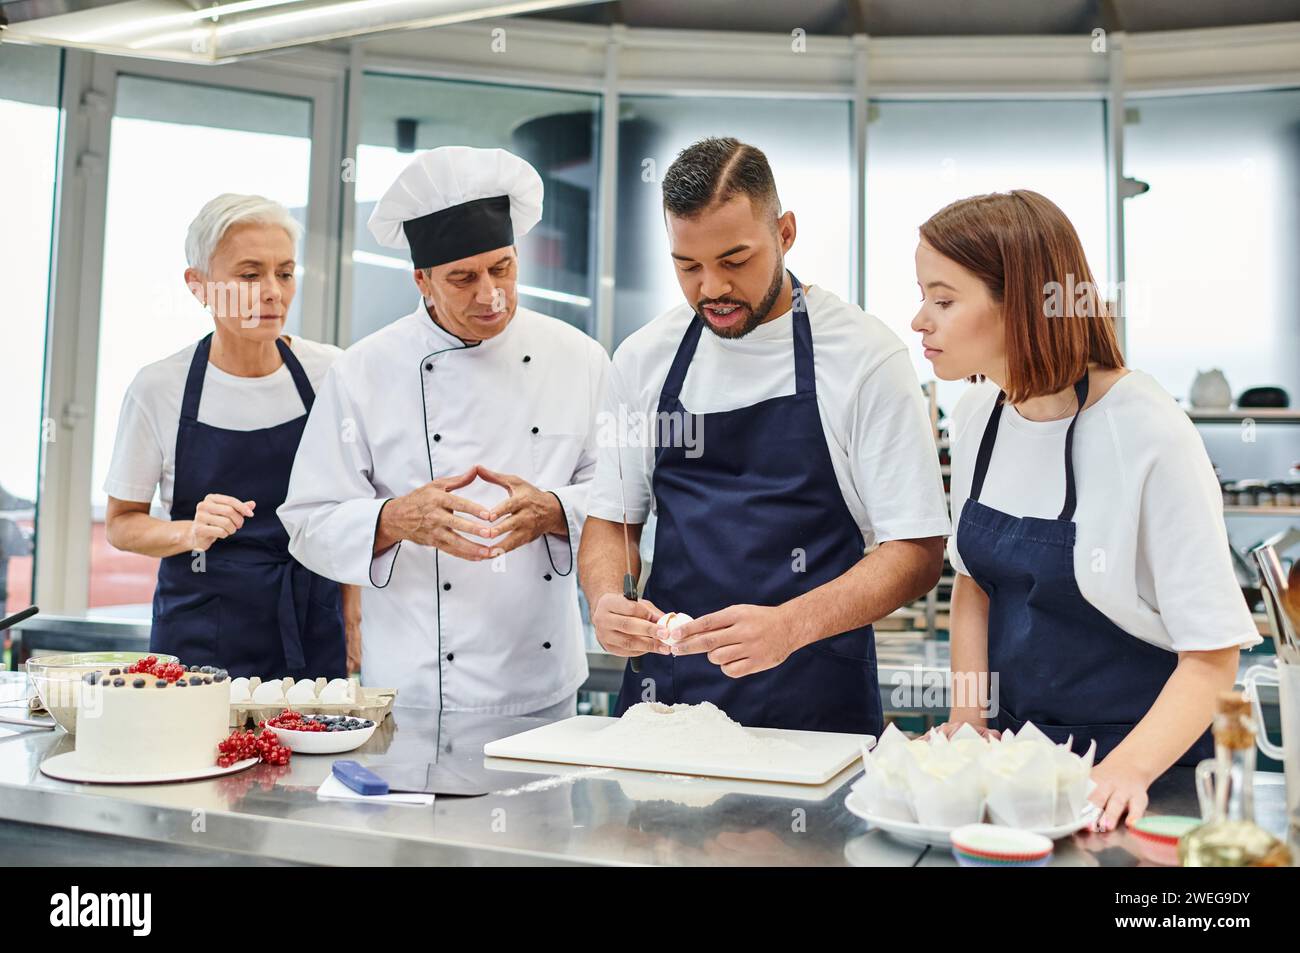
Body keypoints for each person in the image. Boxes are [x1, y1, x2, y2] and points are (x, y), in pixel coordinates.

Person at [579, 137, 950, 734]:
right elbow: (612, 520)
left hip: (813, 704)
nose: (711, 289)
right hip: (666, 703)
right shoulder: (643, 358)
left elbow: (917, 552)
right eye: (688, 266)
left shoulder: (864, 356)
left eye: (734, 260)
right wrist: (605, 600)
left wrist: (789, 626)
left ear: (786, 232)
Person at [912, 189, 1258, 829]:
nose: (919, 321)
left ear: (1018, 304)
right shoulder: (977, 416)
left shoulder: (1147, 430)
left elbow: (1212, 653)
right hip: (1024, 763)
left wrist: (1125, 771)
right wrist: (968, 721)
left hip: (1150, 771)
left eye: (943, 299)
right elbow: (972, 584)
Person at [279, 147, 610, 718]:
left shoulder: (579, 358)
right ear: (423, 280)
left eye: (502, 267)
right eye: (462, 278)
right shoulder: (363, 370)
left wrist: (554, 510)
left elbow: (623, 496)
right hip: (415, 687)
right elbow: (308, 521)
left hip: (543, 684)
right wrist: (393, 519)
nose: (490, 294)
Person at [105, 193, 352, 679]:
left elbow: (349, 508)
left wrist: (354, 618)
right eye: (248, 274)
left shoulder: (331, 374)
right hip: (199, 632)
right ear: (198, 285)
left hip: (311, 624)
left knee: (310, 756)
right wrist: (189, 532)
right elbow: (121, 523)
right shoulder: (159, 387)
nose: (273, 292)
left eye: (284, 272)